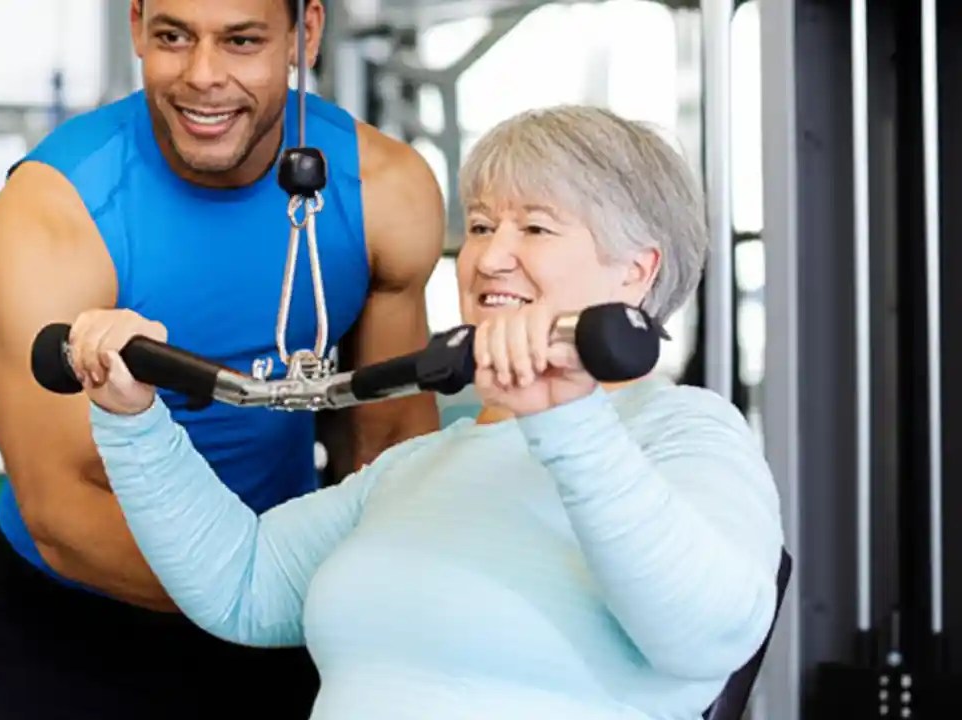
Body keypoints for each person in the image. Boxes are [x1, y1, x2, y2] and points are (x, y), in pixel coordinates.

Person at [68, 106, 787, 719]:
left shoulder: (684, 429)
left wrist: (569, 414)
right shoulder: (425, 463)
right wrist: (134, 421)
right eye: (478, 227)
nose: (491, 258)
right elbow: (244, 586)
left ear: (636, 270)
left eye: (534, 229)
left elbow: (712, 638)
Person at [0, 0, 445, 717]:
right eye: (174, 38)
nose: (203, 77)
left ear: (304, 34)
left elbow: (387, 445)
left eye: (241, 41)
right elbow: (65, 510)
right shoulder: (55, 209)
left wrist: (365, 605)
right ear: (136, 28)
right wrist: (261, 592)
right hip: (74, 624)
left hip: (286, 614)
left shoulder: (384, 191)